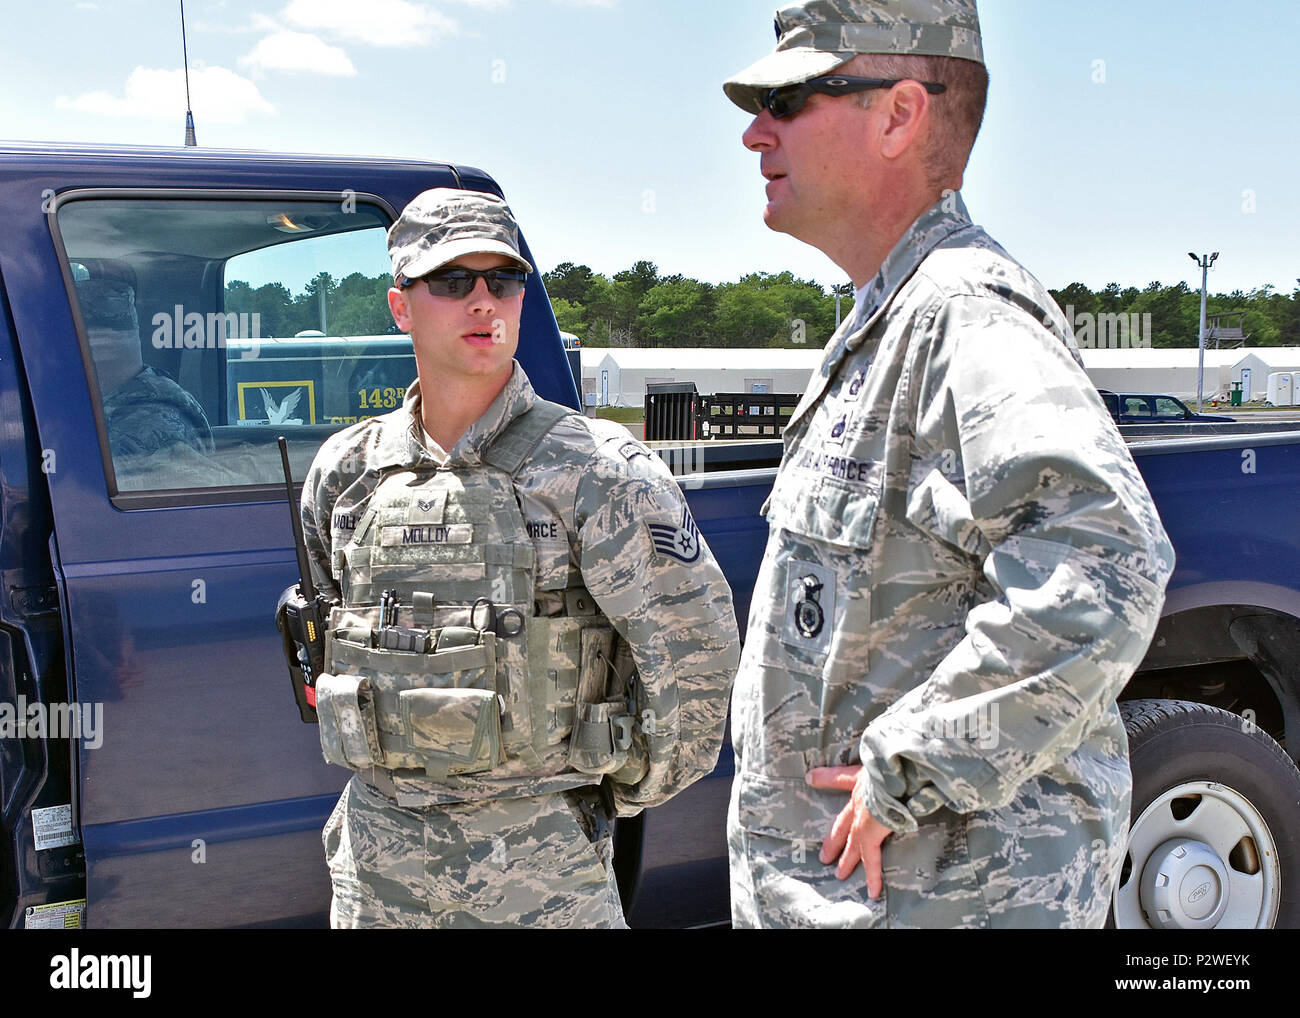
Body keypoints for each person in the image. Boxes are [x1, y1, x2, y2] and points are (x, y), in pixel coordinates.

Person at [721, 0, 1175, 928]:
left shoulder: (966, 315)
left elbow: (1105, 567)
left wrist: (911, 765)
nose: (754, 132)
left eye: (792, 98)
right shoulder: (890, 322)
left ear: (899, 115)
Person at [299, 187, 739, 928]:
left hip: (539, 875)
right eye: (450, 282)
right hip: (378, 870)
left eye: (502, 281)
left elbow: (696, 658)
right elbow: (329, 628)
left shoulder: (599, 472)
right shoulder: (350, 471)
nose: (482, 302)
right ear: (401, 305)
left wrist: (606, 793)